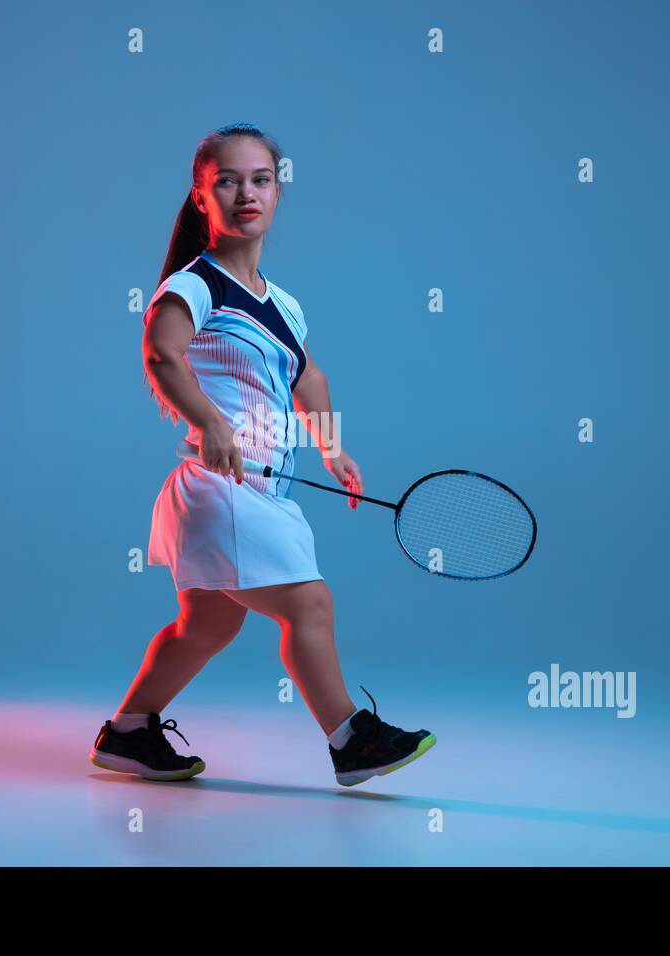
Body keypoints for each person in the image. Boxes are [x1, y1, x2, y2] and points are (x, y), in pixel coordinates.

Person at [88, 123, 436, 787]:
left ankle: (129, 732)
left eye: (260, 179)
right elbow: (161, 352)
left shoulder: (285, 305)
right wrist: (208, 420)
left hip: (257, 489)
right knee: (310, 604)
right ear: (201, 197)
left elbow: (310, 379)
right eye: (227, 181)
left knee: (206, 628)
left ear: (278, 192)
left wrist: (332, 448)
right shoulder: (198, 286)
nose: (245, 192)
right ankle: (349, 739)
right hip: (221, 489)